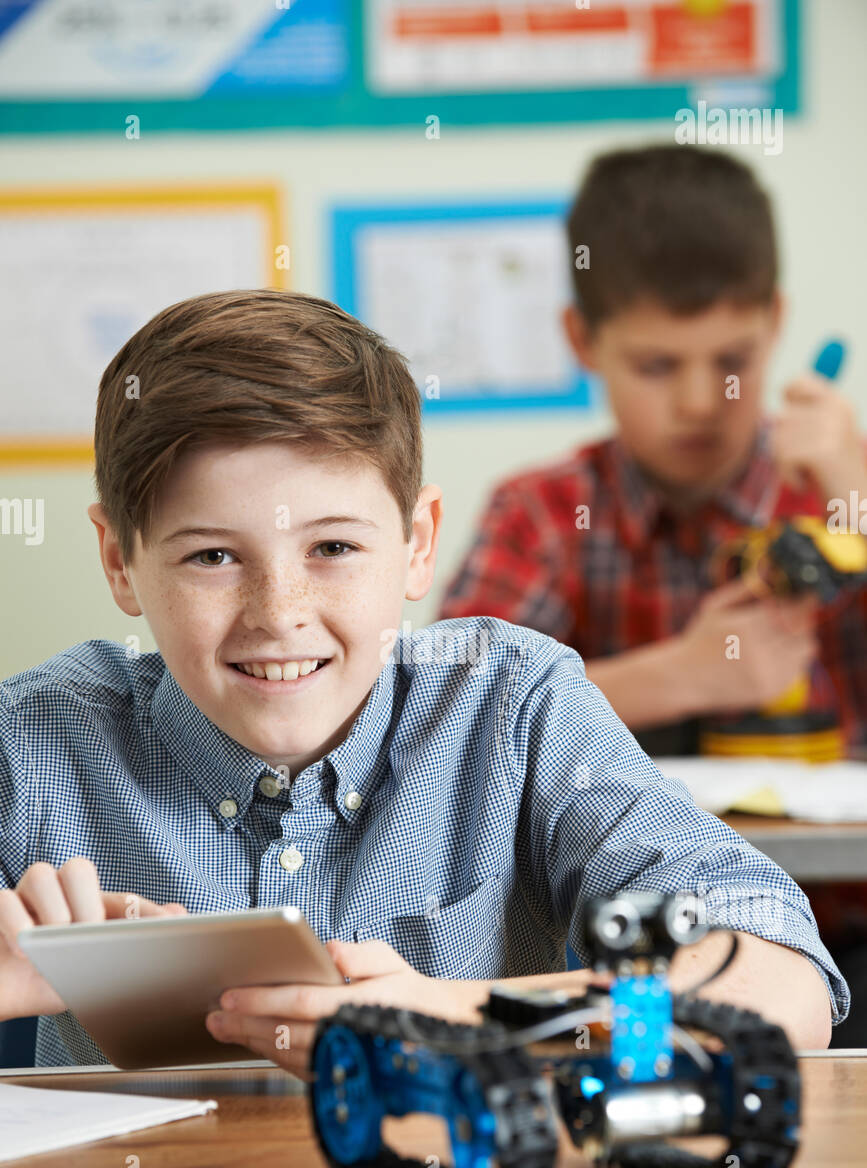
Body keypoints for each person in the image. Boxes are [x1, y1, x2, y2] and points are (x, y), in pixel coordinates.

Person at [0, 289, 846, 1077]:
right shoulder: (40, 737)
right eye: (213, 557)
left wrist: (460, 1016)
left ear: (416, 542)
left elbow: (780, 987)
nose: (280, 614)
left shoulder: (512, 707)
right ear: (120, 561)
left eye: (333, 548)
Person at [439, 144, 866, 1042]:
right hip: (623, 957)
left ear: (777, 321)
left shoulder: (840, 492)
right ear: (581, 341)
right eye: (657, 366)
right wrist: (682, 676)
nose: (702, 401)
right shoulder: (542, 516)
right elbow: (452, 727)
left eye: (731, 358)